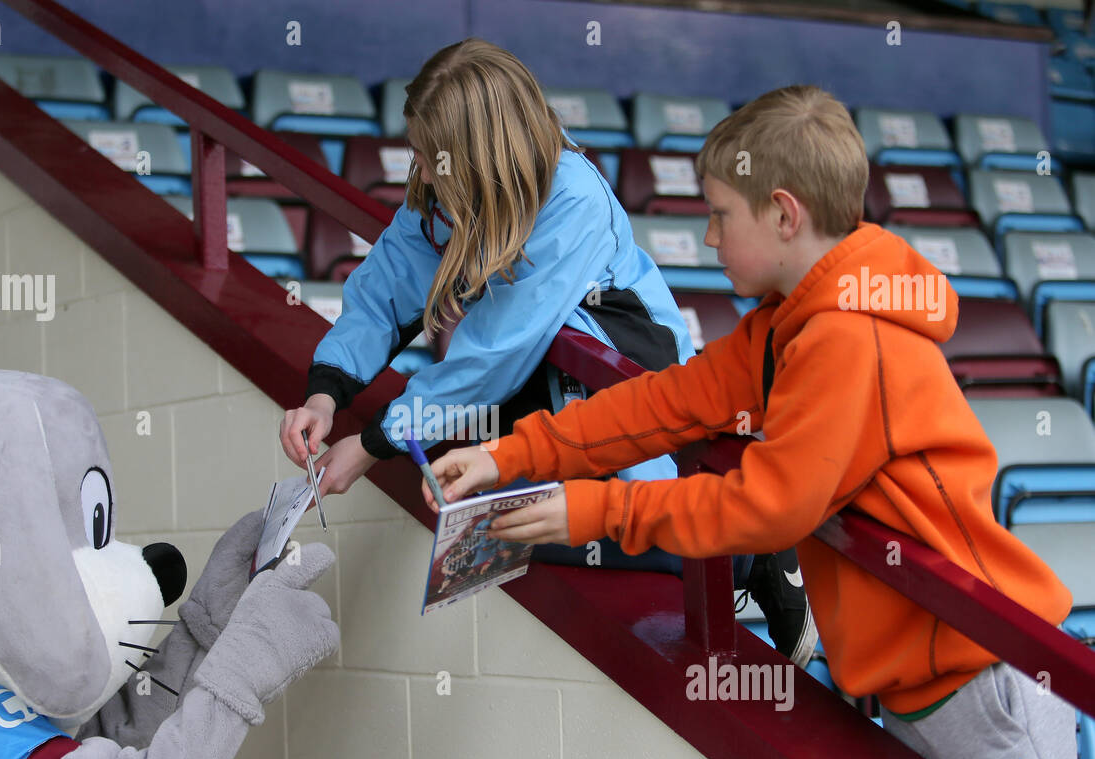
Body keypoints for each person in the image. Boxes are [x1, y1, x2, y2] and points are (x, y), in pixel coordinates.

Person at [422, 85, 1087, 759]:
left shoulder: (846, 339)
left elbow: (768, 508)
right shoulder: (785, 326)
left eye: (719, 215)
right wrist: (509, 452)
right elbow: (660, 405)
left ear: (782, 215)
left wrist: (593, 511)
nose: (706, 237)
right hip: (917, 685)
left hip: (985, 678)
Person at [278, 38, 816, 666]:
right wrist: (326, 392)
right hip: (534, 391)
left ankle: (757, 550)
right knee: (476, 533)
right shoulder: (444, 193)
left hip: (623, 373)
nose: (418, 172)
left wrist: (371, 446)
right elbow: (384, 291)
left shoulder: (573, 198)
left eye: (429, 158)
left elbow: (491, 355)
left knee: (619, 521)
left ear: (476, 157)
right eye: (418, 155)